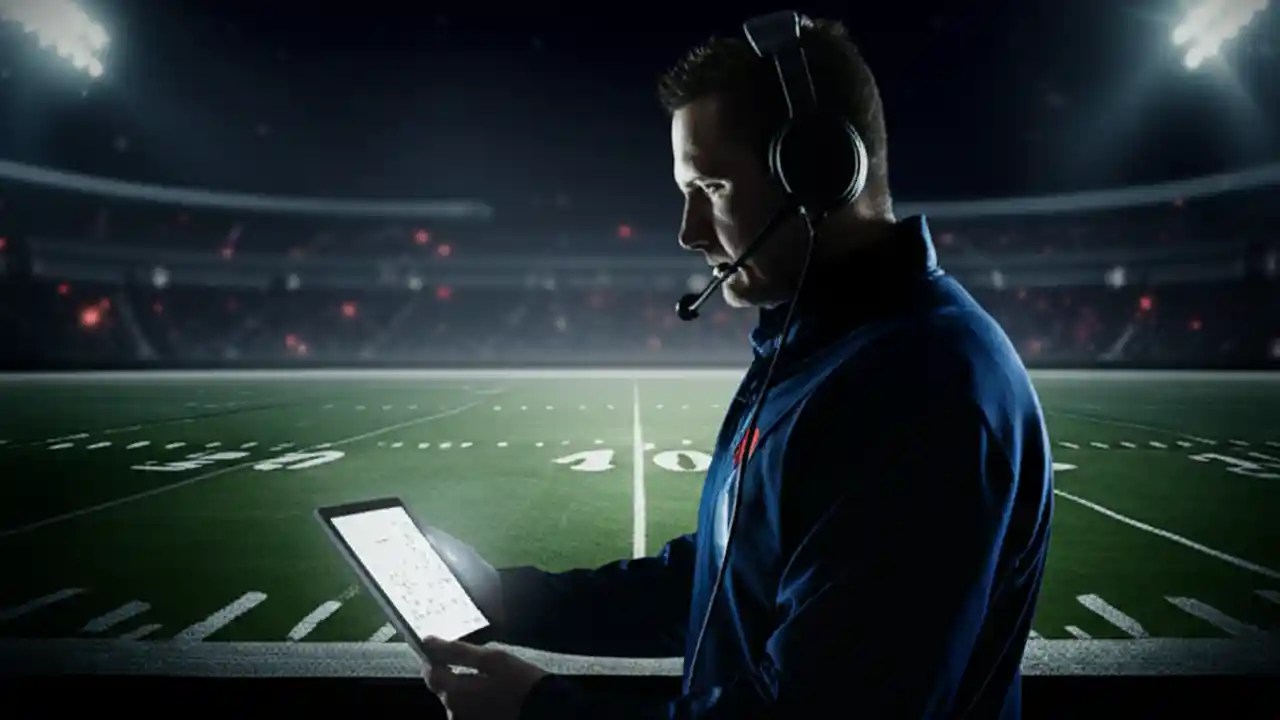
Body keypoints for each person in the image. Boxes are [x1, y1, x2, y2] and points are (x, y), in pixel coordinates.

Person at [421, 13, 1054, 720]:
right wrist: (504, 596)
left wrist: (538, 711)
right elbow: (727, 577)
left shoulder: (922, 390)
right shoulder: (819, 348)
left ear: (818, 174)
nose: (688, 232)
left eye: (712, 188)